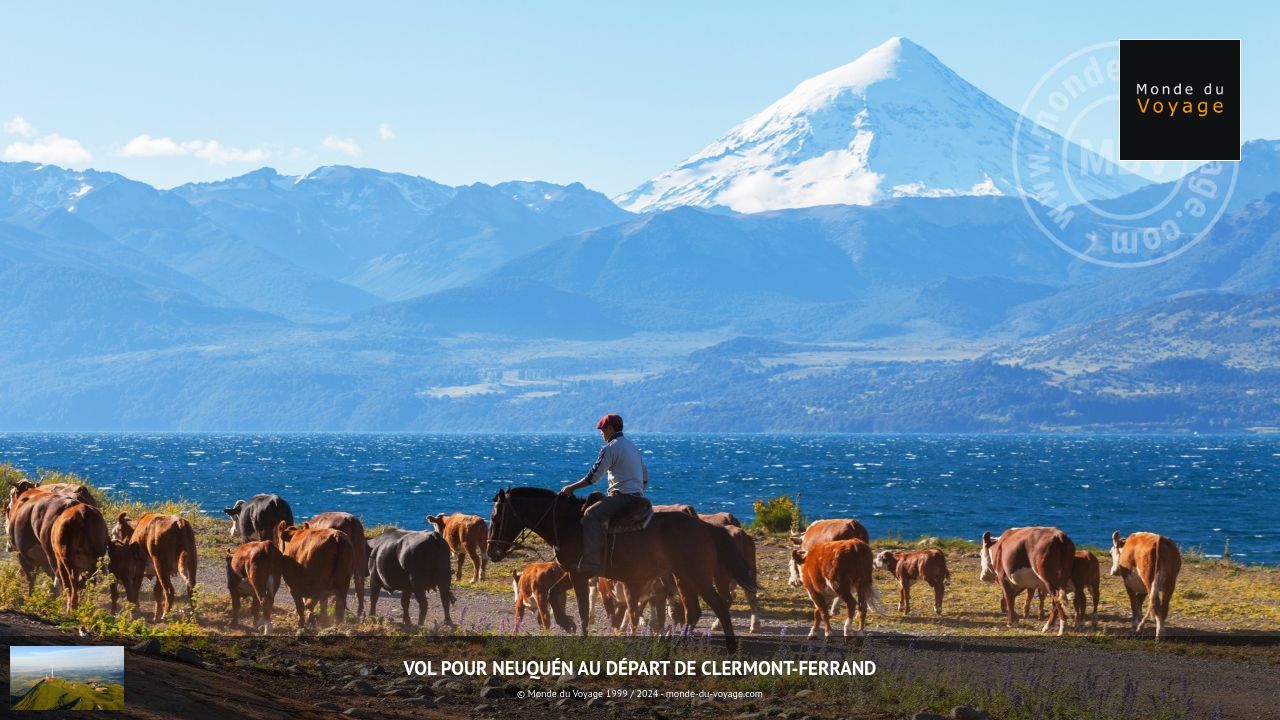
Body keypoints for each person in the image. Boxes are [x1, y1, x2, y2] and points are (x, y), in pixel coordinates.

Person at [559, 413, 650, 575]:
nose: (601, 433)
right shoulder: (632, 447)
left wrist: (571, 488)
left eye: (602, 429)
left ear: (610, 428)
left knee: (590, 516)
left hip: (622, 497)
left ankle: (591, 563)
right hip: (638, 497)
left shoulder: (610, 448)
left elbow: (593, 477)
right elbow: (645, 478)